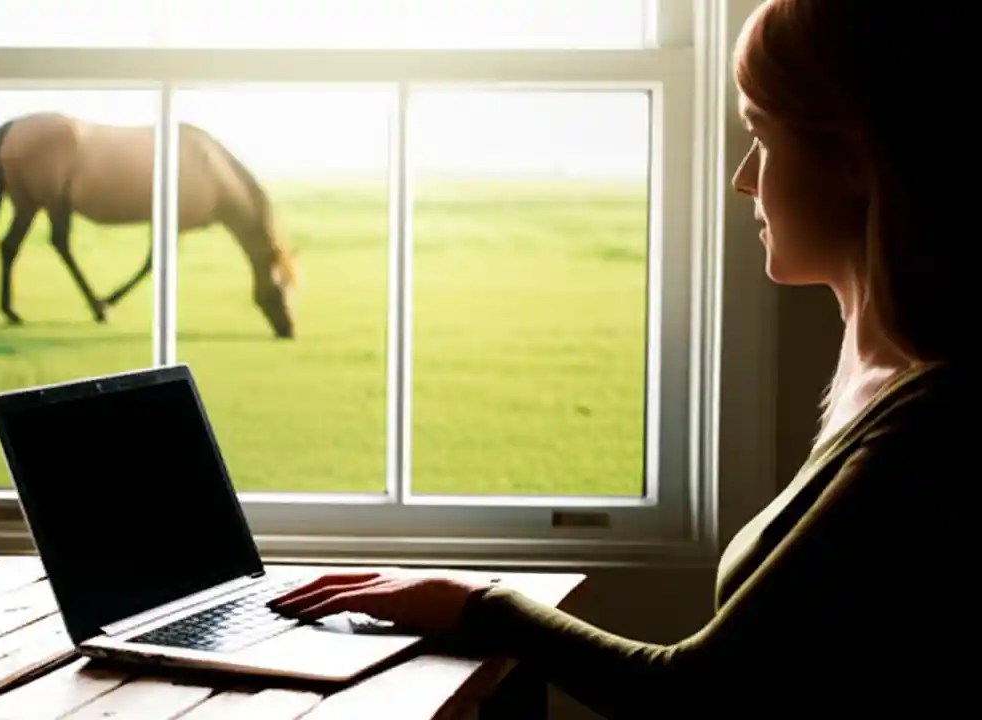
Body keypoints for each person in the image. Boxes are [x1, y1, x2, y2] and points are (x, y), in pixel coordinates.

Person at [269, 1, 974, 716]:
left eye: (761, 135)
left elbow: (694, 692)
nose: (744, 178)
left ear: (854, 159)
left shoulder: (932, 430)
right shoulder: (886, 386)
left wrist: (480, 604)